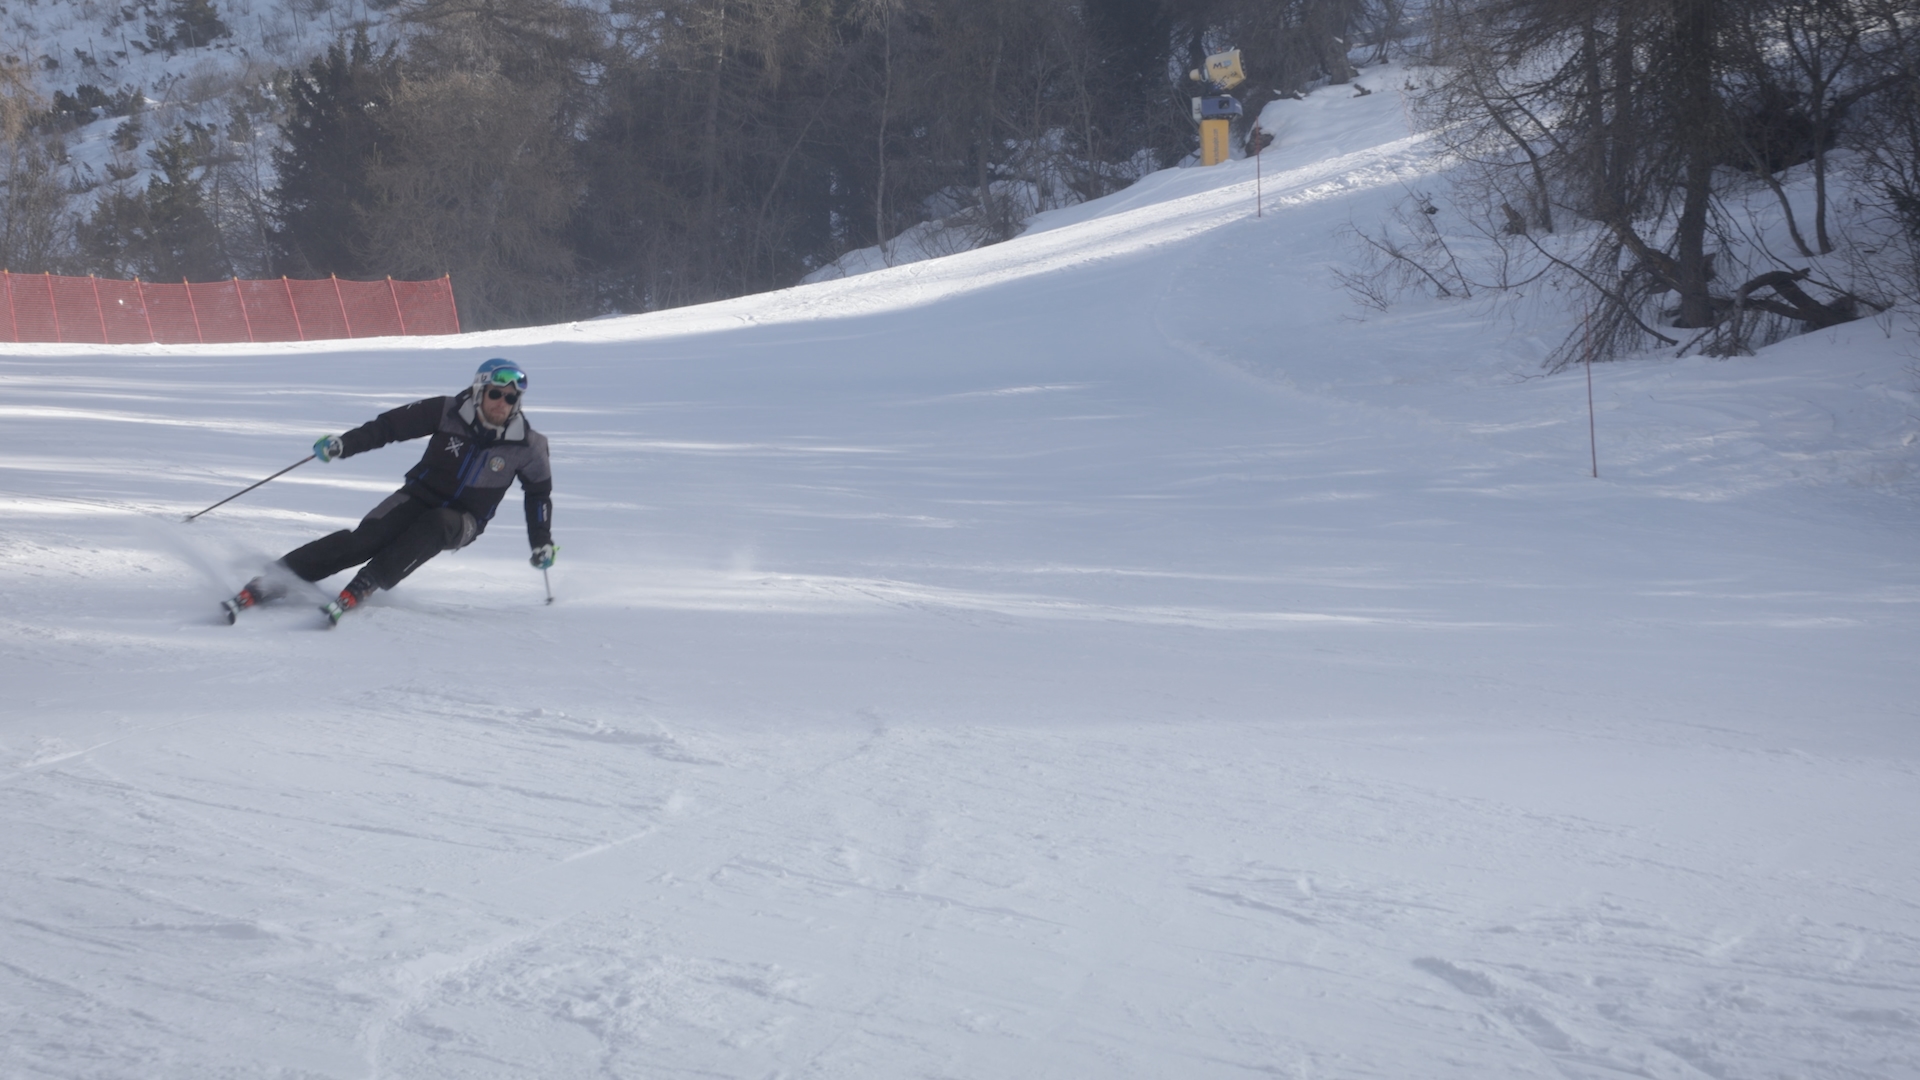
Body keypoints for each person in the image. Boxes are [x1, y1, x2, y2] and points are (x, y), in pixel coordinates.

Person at [223, 358, 556, 625]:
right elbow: (389, 427)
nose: (502, 403)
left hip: (465, 519)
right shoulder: (445, 411)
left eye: (511, 398)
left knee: (437, 524)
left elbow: (538, 495)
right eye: (496, 394)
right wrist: (344, 444)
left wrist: (541, 542)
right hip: (417, 495)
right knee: (363, 541)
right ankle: (271, 581)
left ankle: (366, 584)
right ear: (479, 391)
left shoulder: (530, 445)